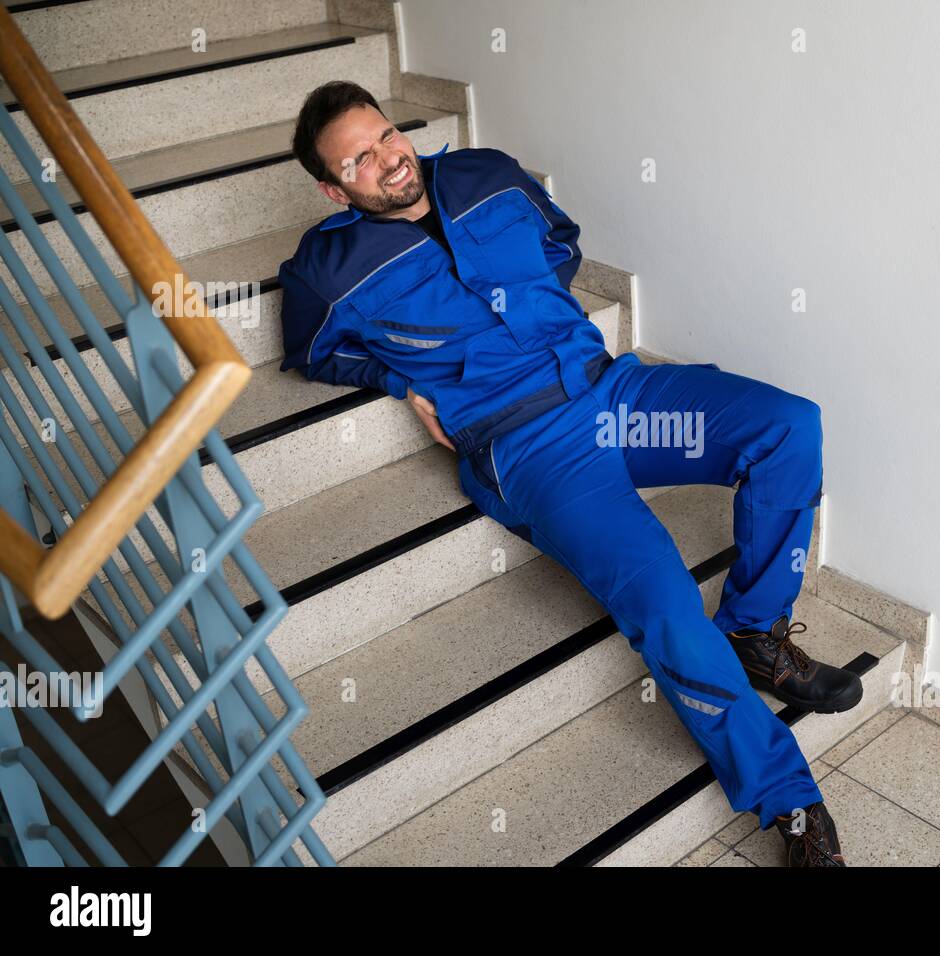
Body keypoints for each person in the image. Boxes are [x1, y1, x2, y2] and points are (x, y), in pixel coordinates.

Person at [280, 81, 860, 866]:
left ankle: (756, 630)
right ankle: (790, 802)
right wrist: (402, 382)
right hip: (526, 444)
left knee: (788, 425)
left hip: (610, 387)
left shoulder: (486, 174)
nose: (387, 161)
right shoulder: (328, 265)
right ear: (331, 186)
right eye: (358, 159)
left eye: (385, 136)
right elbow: (313, 352)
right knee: (662, 596)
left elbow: (560, 243)